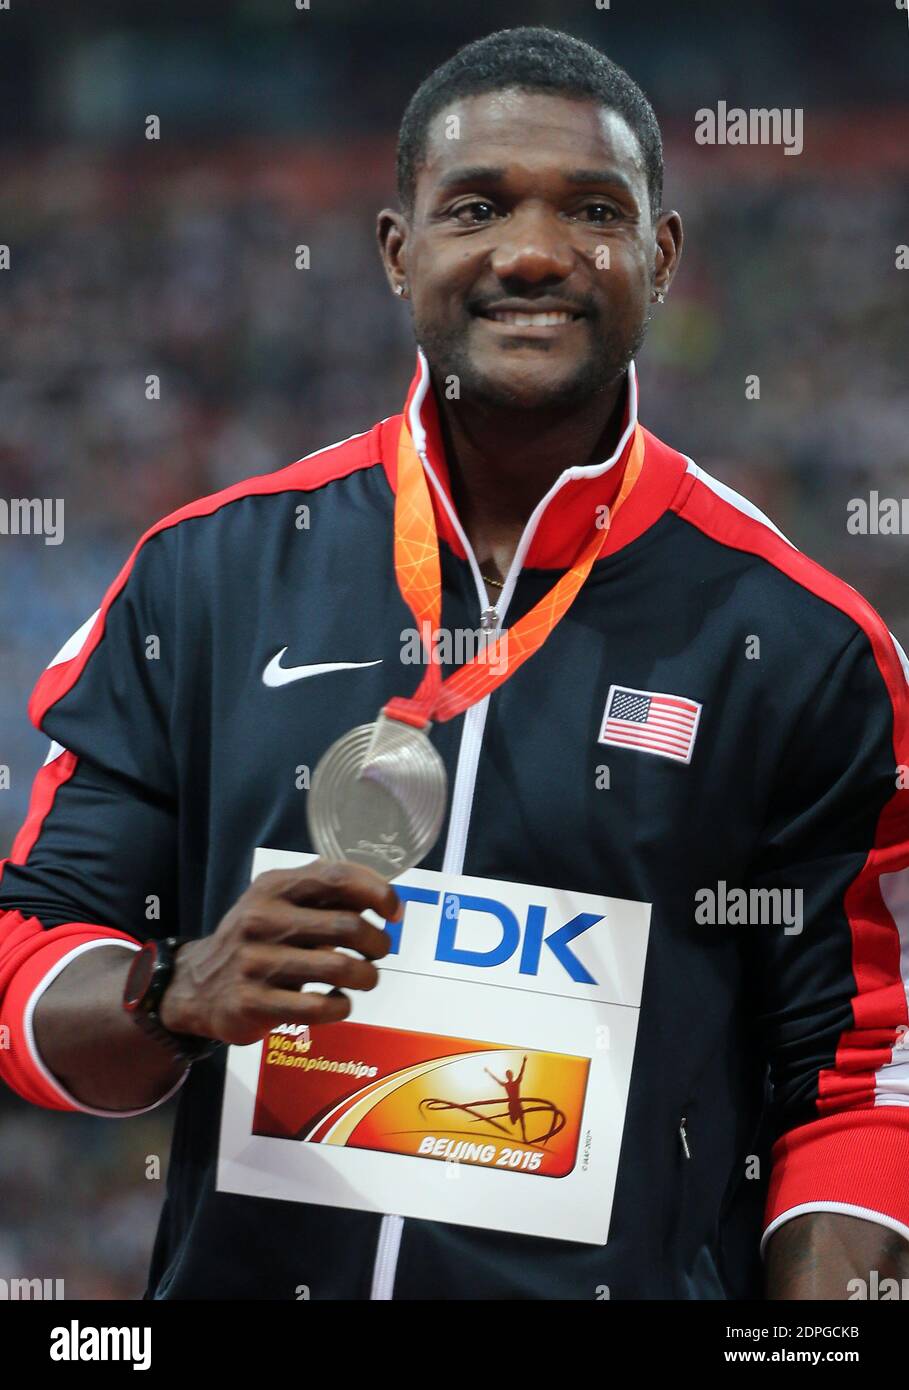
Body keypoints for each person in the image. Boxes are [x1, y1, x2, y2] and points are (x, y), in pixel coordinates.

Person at [1, 25, 908, 1301]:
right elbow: (32, 944)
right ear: (397, 249)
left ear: (662, 255)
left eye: (593, 210)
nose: (533, 252)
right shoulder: (204, 577)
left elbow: (860, 1075)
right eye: (477, 207)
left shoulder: (802, 644)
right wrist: (170, 993)